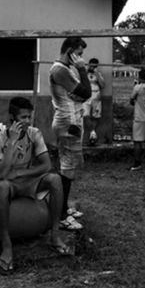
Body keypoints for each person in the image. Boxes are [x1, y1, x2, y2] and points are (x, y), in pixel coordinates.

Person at [0, 97, 70, 273]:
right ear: (12, 118)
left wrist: (20, 173)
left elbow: (46, 165)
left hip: (25, 181)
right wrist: (11, 143)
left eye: (29, 117)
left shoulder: (34, 134)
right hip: (6, 183)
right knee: (2, 187)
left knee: (55, 179)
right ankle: (6, 244)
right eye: (23, 117)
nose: (27, 121)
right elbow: (1, 174)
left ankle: (55, 235)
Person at [49, 37, 91, 231]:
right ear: (70, 52)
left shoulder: (66, 69)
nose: (81, 58)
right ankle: (61, 215)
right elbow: (86, 93)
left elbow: (79, 94)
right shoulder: (60, 70)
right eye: (79, 54)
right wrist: (82, 69)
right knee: (67, 169)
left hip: (72, 121)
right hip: (67, 123)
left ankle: (64, 207)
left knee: (70, 168)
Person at [82, 58, 105, 146]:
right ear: (88, 65)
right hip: (86, 97)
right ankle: (93, 132)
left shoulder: (98, 74)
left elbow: (103, 85)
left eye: (95, 66)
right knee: (85, 115)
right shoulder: (84, 73)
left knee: (96, 116)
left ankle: (92, 134)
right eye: (91, 65)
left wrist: (97, 75)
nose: (92, 67)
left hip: (96, 95)